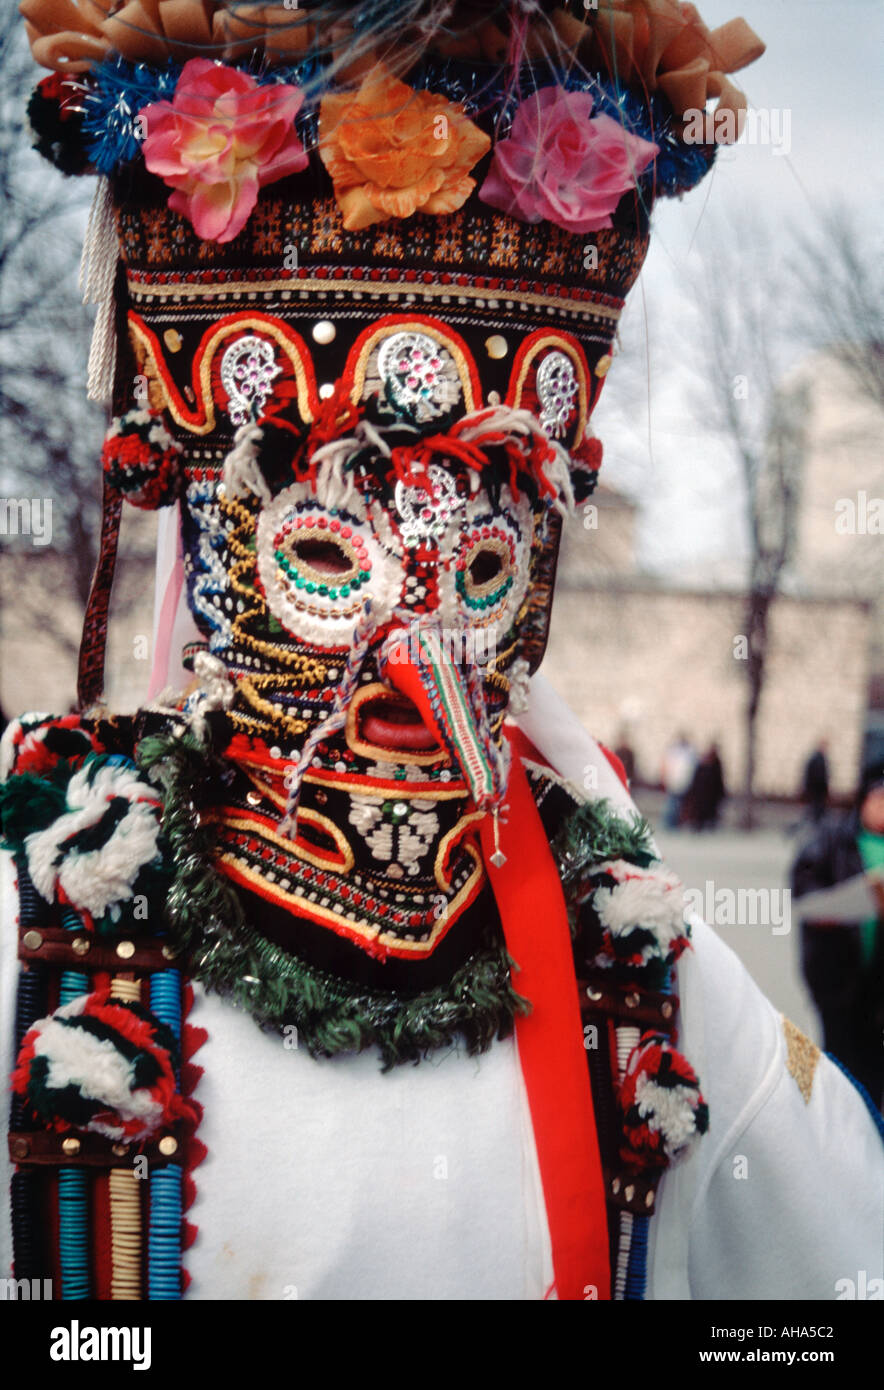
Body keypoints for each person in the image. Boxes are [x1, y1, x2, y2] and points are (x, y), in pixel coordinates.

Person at [1, 0, 881, 1305]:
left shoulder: (646, 977)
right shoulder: (49, 931)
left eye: (475, 574)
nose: (413, 654)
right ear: (224, 537)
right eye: (331, 564)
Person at [791, 760, 884, 1109]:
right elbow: (805, 895)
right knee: (840, 1066)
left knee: (875, 1071)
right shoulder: (832, 840)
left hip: (879, 990)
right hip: (840, 980)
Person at [661, 733, 696, 830]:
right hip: (675, 781)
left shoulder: (688, 753)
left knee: (677, 804)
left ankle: (673, 823)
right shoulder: (676, 752)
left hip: (681, 782)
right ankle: (670, 823)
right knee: (673, 803)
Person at [688, 742, 726, 832]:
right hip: (701, 795)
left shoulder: (716, 764)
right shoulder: (702, 764)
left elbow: (719, 780)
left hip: (711, 796)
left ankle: (708, 827)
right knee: (700, 814)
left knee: (710, 813)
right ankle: (698, 827)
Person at [802, 740, 830, 823]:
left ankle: (815, 822)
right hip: (817, 789)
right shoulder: (817, 758)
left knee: (816, 808)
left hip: (817, 789)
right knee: (816, 808)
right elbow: (818, 775)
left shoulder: (818, 757)